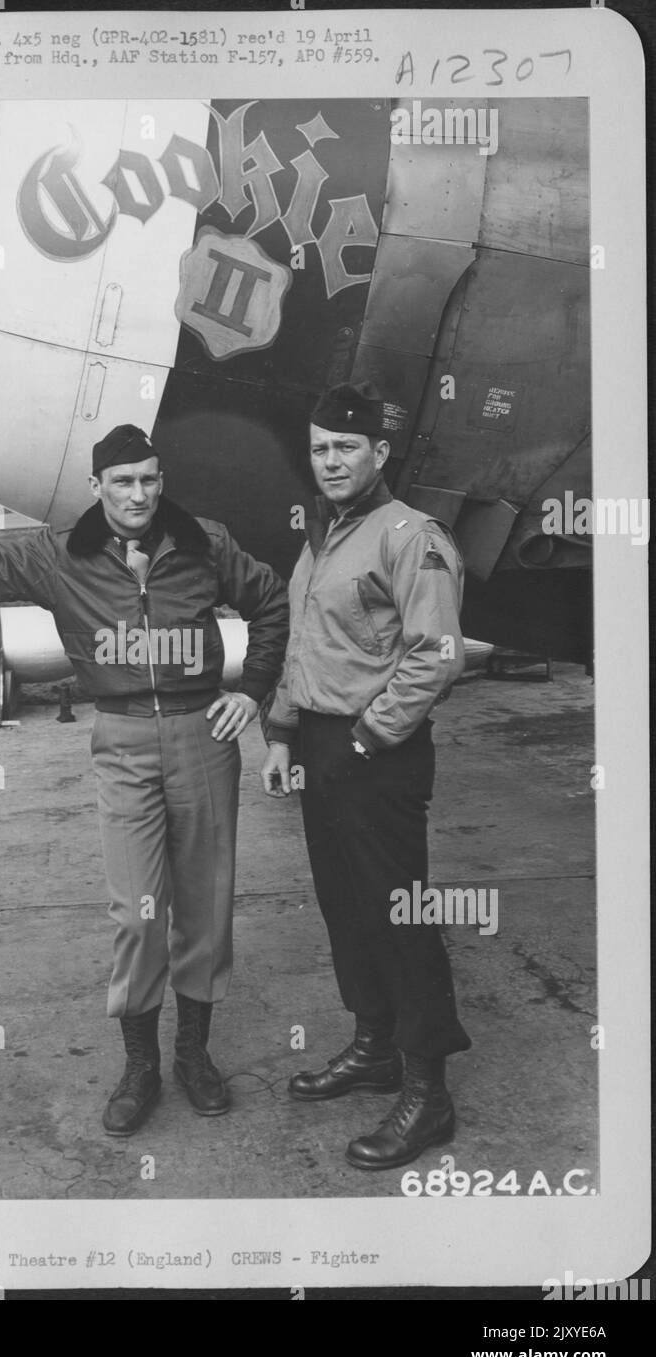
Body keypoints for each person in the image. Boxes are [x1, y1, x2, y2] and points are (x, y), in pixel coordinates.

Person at [0, 424, 288, 1137]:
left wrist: (251, 691)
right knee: (138, 914)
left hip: (204, 736)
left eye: (148, 479)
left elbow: (270, 603)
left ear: (160, 480)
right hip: (124, 739)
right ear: (96, 488)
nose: (138, 494)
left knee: (205, 906)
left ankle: (193, 1055)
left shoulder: (205, 542)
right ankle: (139, 1067)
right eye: (122, 482)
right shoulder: (58, 555)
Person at [260, 383, 471, 1171]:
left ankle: (428, 1094)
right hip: (321, 747)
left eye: (345, 447)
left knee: (399, 917)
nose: (330, 461)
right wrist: (282, 731)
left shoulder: (407, 536)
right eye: (319, 448)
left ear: (378, 454)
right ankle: (374, 1048)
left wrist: (367, 736)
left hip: (374, 754)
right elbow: (303, 649)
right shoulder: (322, 537)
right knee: (346, 909)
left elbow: (435, 655)